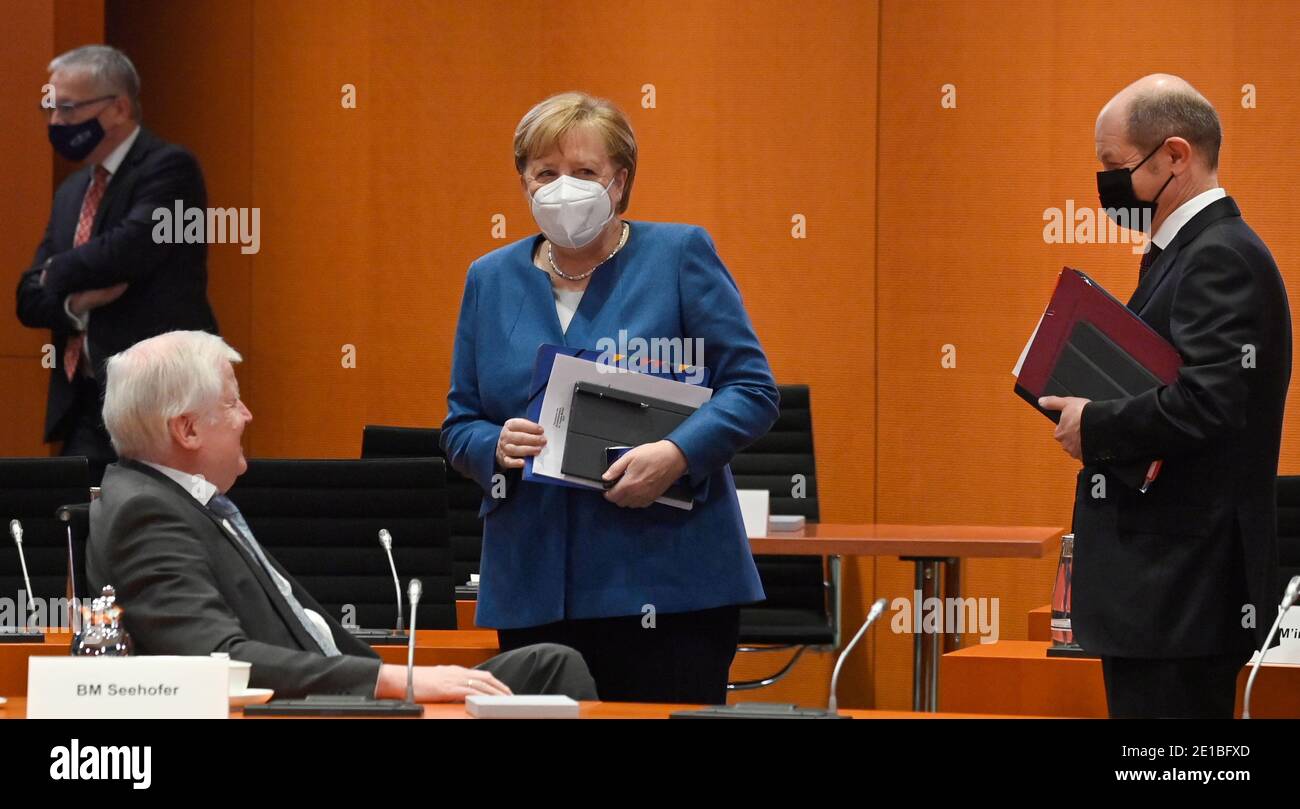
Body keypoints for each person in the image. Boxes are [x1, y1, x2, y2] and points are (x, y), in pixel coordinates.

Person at [441, 92, 779, 704]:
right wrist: (494, 444)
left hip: (666, 578)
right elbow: (460, 422)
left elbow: (752, 390)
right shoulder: (488, 278)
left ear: (619, 183)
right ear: (524, 183)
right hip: (533, 579)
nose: (562, 187)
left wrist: (677, 453)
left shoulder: (678, 255)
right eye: (546, 173)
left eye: (584, 172)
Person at [87, 330, 596, 702]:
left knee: (549, 665)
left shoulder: (177, 500)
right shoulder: (147, 514)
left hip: (346, 694)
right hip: (318, 710)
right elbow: (217, 660)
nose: (248, 415)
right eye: (234, 401)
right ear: (188, 429)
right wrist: (399, 681)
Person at [1040, 74, 1291, 718]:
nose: (1105, 185)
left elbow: (1208, 402)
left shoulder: (1218, 256)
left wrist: (1095, 425)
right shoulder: (1190, 252)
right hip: (1169, 591)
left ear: (1174, 156)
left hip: (1182, 586)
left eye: (1112, 166)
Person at [16, 45, 218, 484]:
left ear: (119, 107)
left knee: (155, 534)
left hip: (160, 403)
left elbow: (130, 249)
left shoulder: (169, 169)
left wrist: (55, 273)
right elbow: (27, 298)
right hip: (86, 403)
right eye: (49, 109)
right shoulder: (72, 190)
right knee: (81, 535)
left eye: (67, 108)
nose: (55, 122)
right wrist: (76, 304)